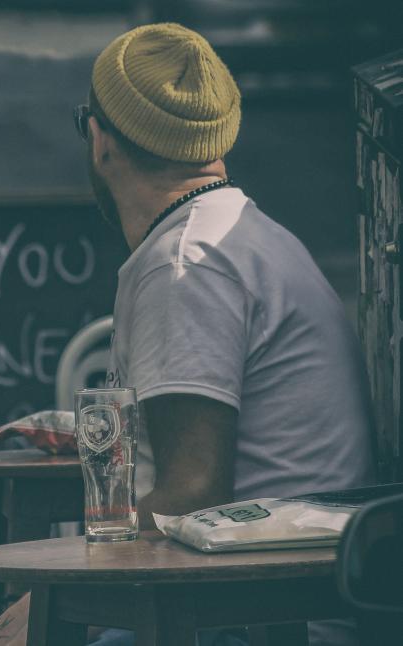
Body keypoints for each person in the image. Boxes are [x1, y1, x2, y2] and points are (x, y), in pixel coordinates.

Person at [79, 23, 376, 646]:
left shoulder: (187, 263)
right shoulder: (226, 233)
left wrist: (64, 588)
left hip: (257, 616)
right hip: (272, 595)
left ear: (100, 140)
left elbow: (190, 492)